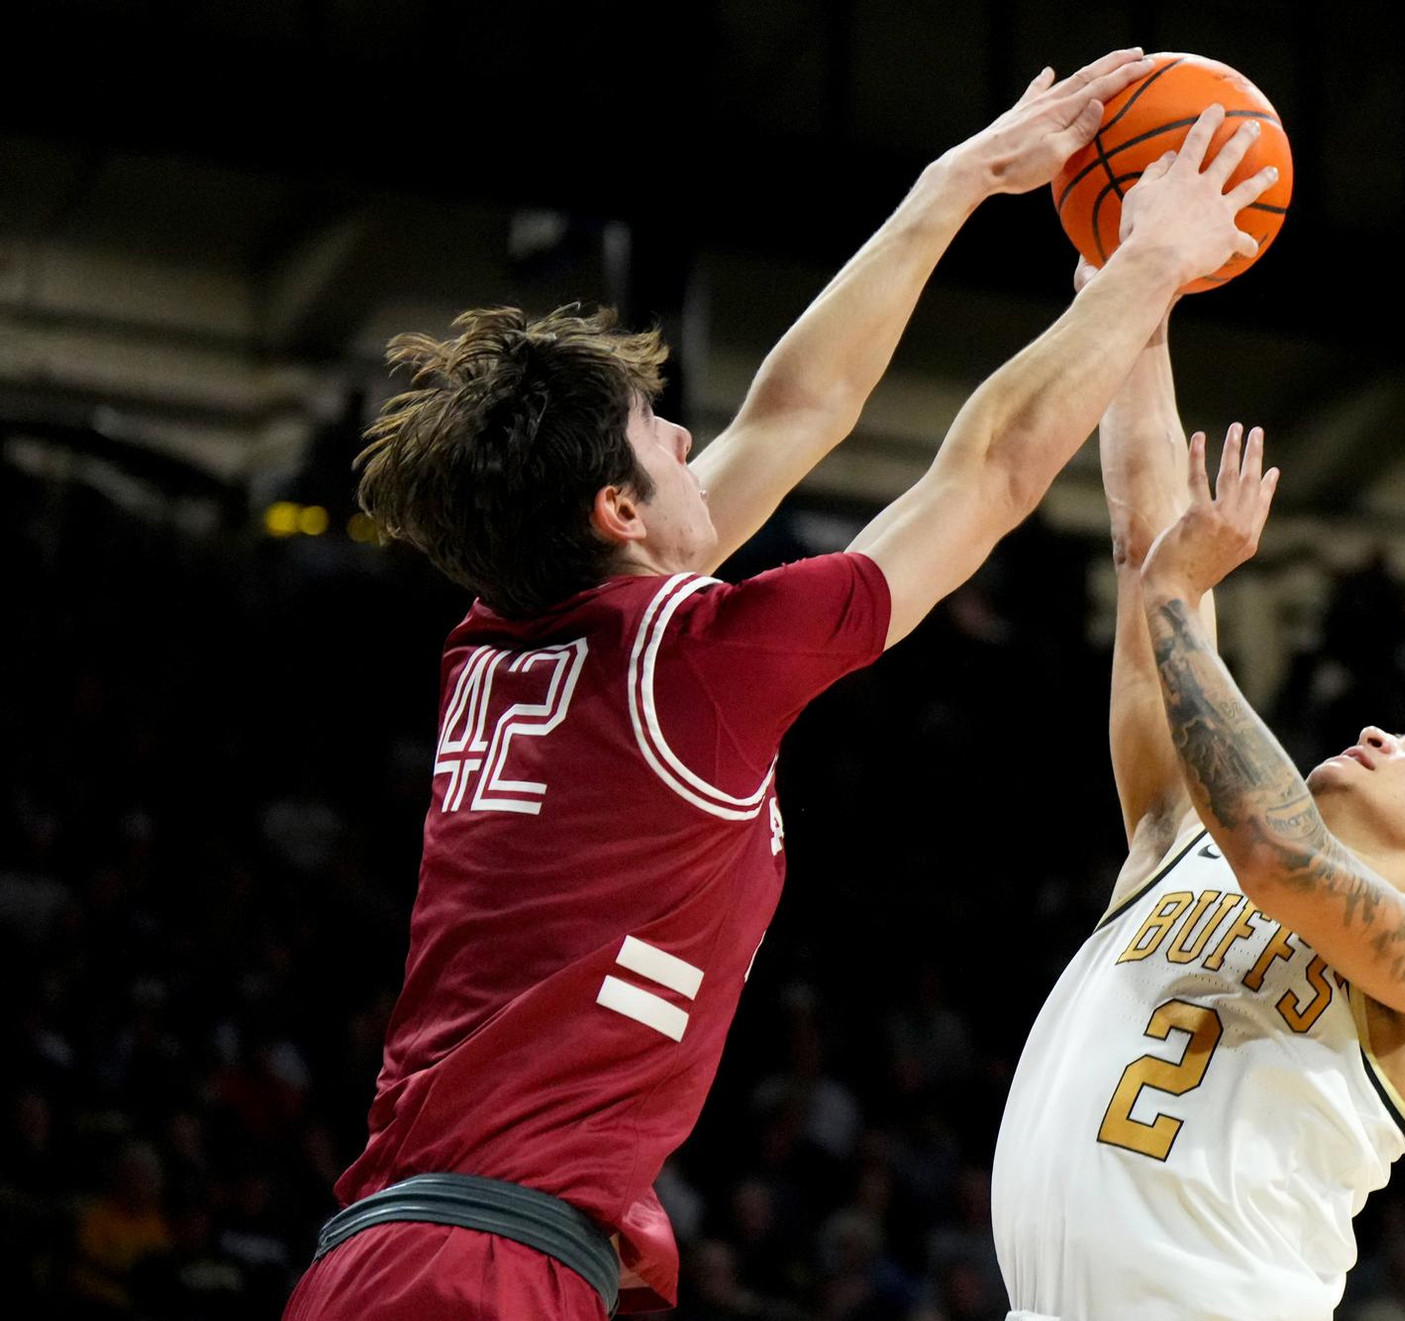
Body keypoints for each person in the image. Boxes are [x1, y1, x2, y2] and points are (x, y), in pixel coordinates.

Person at [282, 53, 1280, 1321]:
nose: (694, 436)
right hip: (482, 1268)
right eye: (659, 433)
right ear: (617, 508)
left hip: (402, 1252)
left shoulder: (504, 628)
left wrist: (965, 176)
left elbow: (797, 408)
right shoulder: (693, 661)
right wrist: (1150, 264)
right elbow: (989, 474)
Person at [991, 300, 1405, 1320]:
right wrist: (1137, 288)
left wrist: (1178, 597)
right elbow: (1146, 552)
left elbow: (1275, 851)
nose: (1384, 735)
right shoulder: (1181, 837)